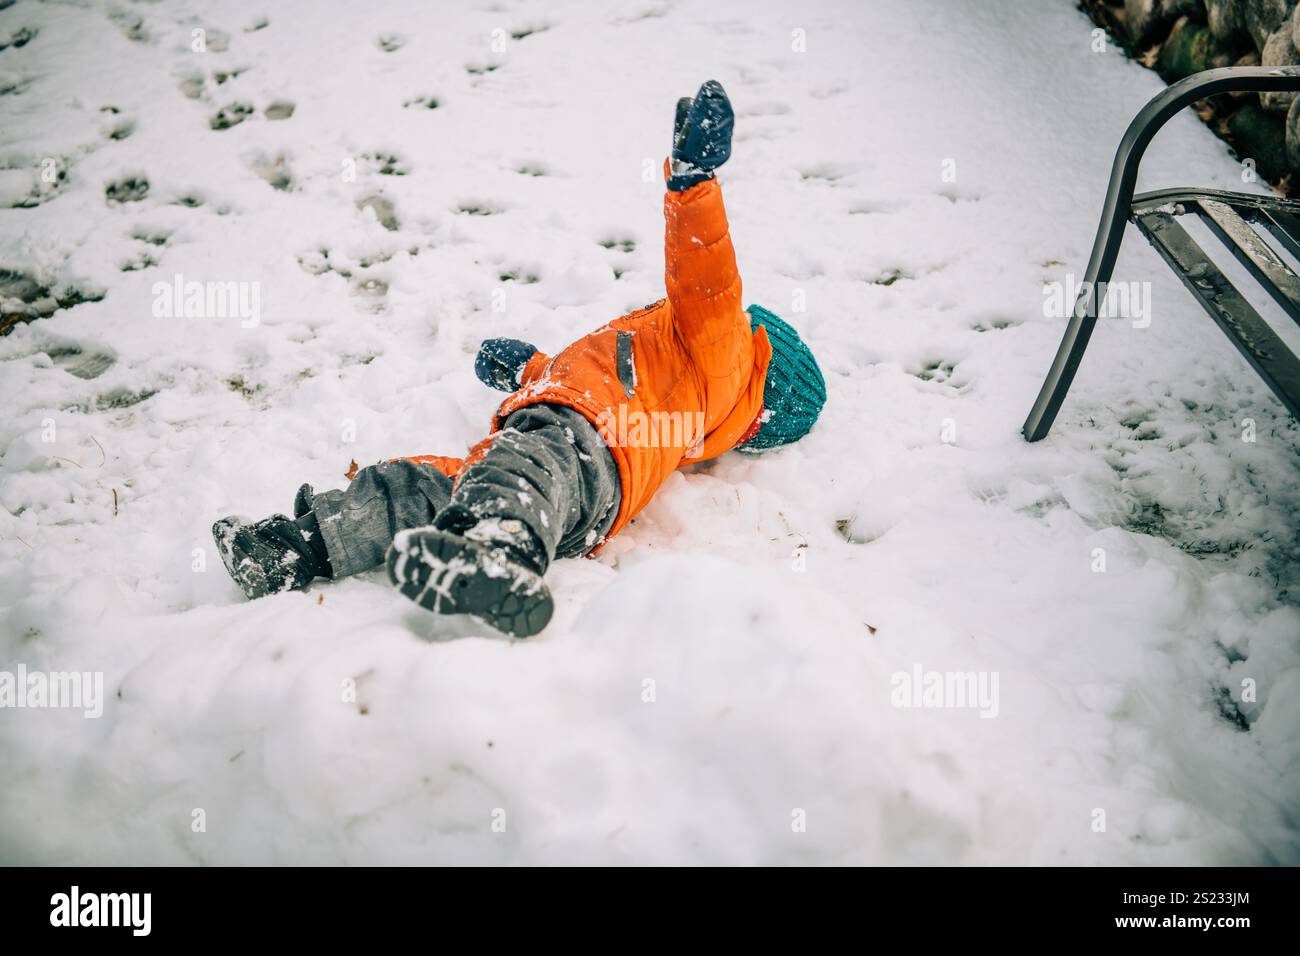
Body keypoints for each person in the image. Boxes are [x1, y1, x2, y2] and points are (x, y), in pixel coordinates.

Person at [213, 80, 826, 637]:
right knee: (422, 489)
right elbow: (579, 383)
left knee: (515, 468)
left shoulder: (721, 351)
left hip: (581, 451)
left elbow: (707, 282)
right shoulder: (680, 382)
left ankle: (498, 553)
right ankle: (297, 548)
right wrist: (528, 371)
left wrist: (694, 183)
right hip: (556, 477)